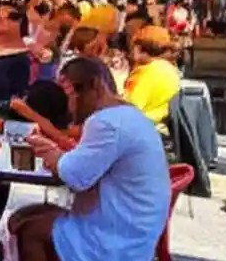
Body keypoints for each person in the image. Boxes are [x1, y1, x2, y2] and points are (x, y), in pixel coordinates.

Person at [9, 57, 170, 261]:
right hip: (134, 228)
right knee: (26, 215)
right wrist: (58, 155)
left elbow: (75, 177)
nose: (69, 108)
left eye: (70, 96)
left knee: (30, 231)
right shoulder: (128, 115)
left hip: (117, 239)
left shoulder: (106, 122)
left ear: (93, 86)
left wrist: (54, 155)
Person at [124, 25, 182, 128]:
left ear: (139, 48)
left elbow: (127, 110)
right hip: (163, 130)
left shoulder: (144, 73)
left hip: (141, 130)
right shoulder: (171, 70)